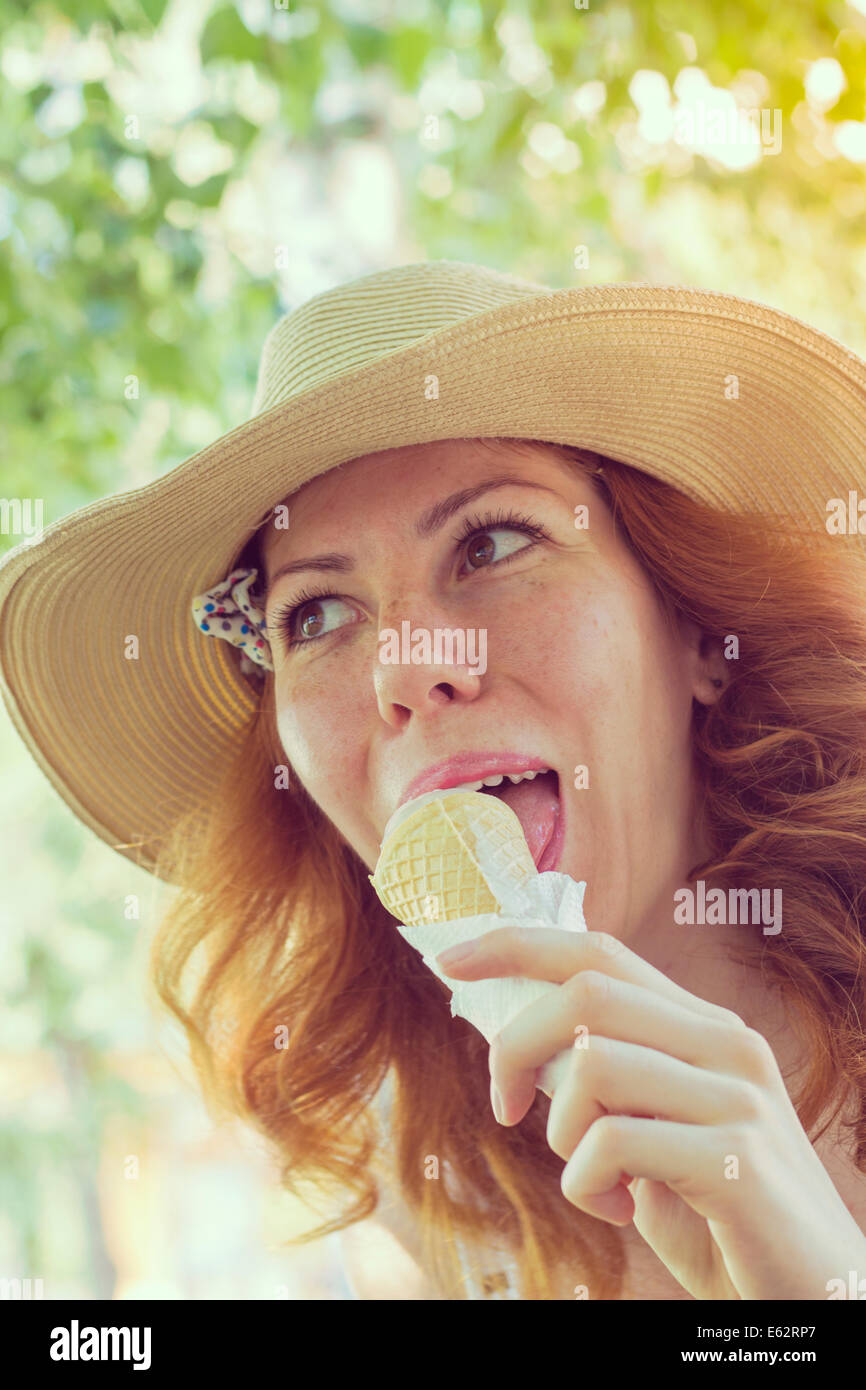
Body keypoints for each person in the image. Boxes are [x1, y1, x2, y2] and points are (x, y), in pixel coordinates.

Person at [2, 260, 866, 1300]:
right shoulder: (420, 1185)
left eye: (492, 542)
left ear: (696, 632)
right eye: (314, 615)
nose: (403, 669)